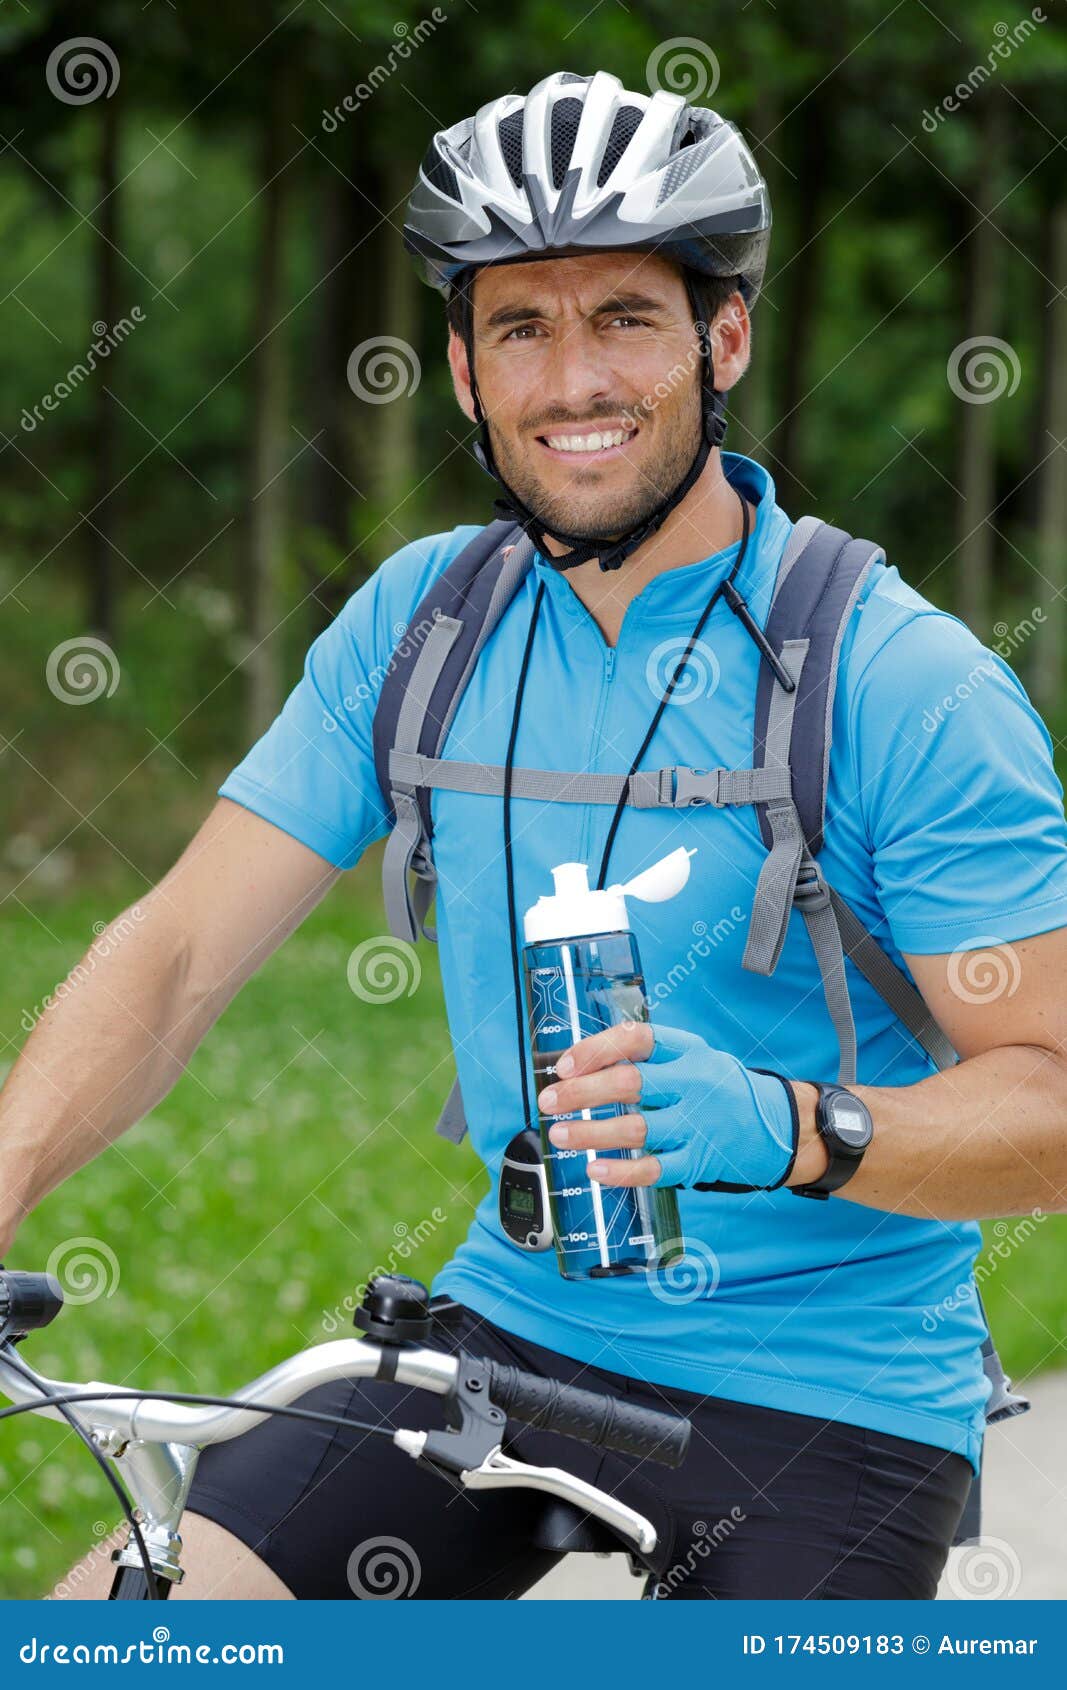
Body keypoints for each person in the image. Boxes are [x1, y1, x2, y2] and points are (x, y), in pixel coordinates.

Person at [7, 70, 1067, 1601]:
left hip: (832, 1392)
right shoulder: (423, 627)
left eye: (626, 317)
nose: (574, 377)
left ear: (726, 337)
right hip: (509, 1335)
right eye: (522, 324)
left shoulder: (901, 682)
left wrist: (791, 1125)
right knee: (137, 1618)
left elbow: (1045, 1100)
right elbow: (174, 951)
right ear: (460, 367)